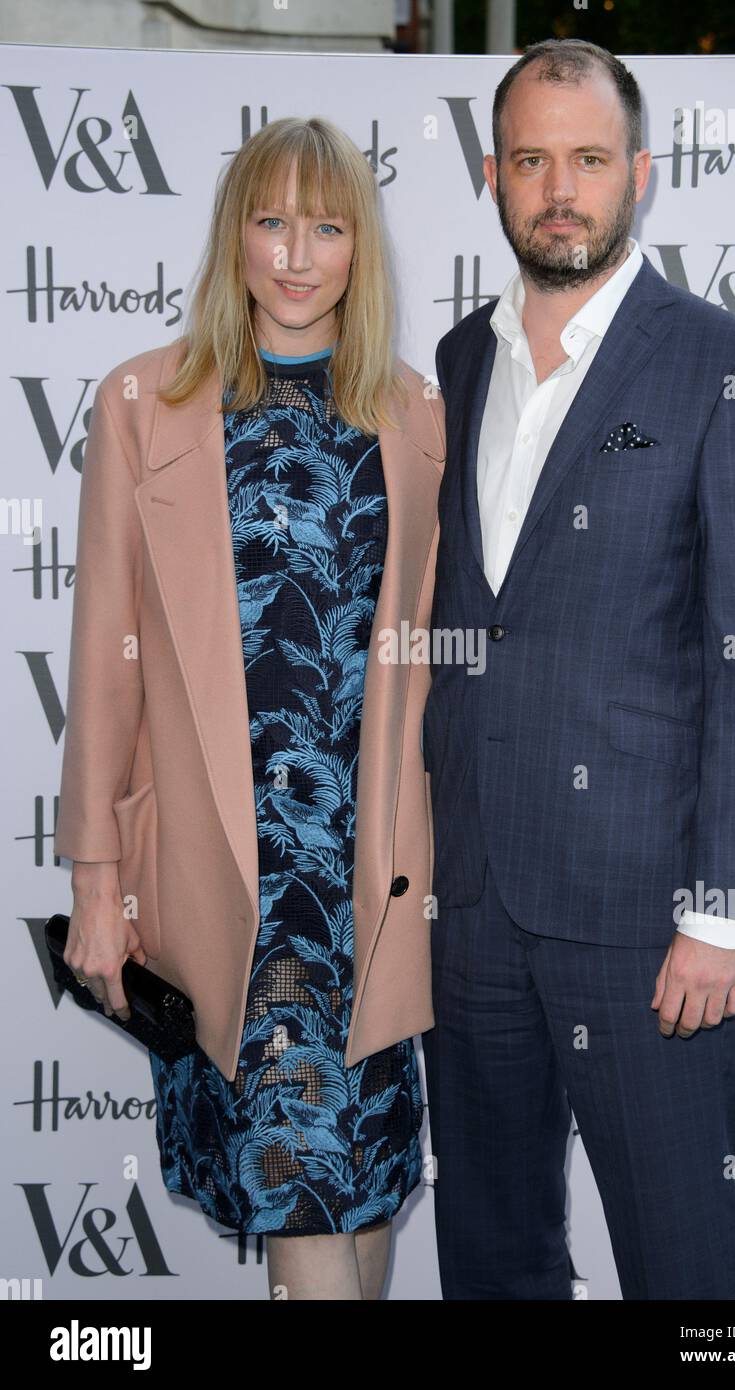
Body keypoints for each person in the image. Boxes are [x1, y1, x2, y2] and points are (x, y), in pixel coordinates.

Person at [421, 38, 735, 1300]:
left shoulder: (724, 367)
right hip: (472, 909)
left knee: (685, 1271)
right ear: (492, 175)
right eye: (531, 160)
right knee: (493, 1257)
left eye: (587, 159)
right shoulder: (461, 361)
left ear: (638, 172)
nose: (559, 189)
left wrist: (722, 916)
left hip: (648, 926)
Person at [54, 115, 445, 1300]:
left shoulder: (413, 413)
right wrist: (94, 884)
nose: (294, 254)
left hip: (369, 889)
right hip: (233, 886)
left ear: (357, 250)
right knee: (310, 1210)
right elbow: (105, 664)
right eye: (269, 222)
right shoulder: (147, 403)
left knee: (361, 1211)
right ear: (233, 238)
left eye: (324, 227)